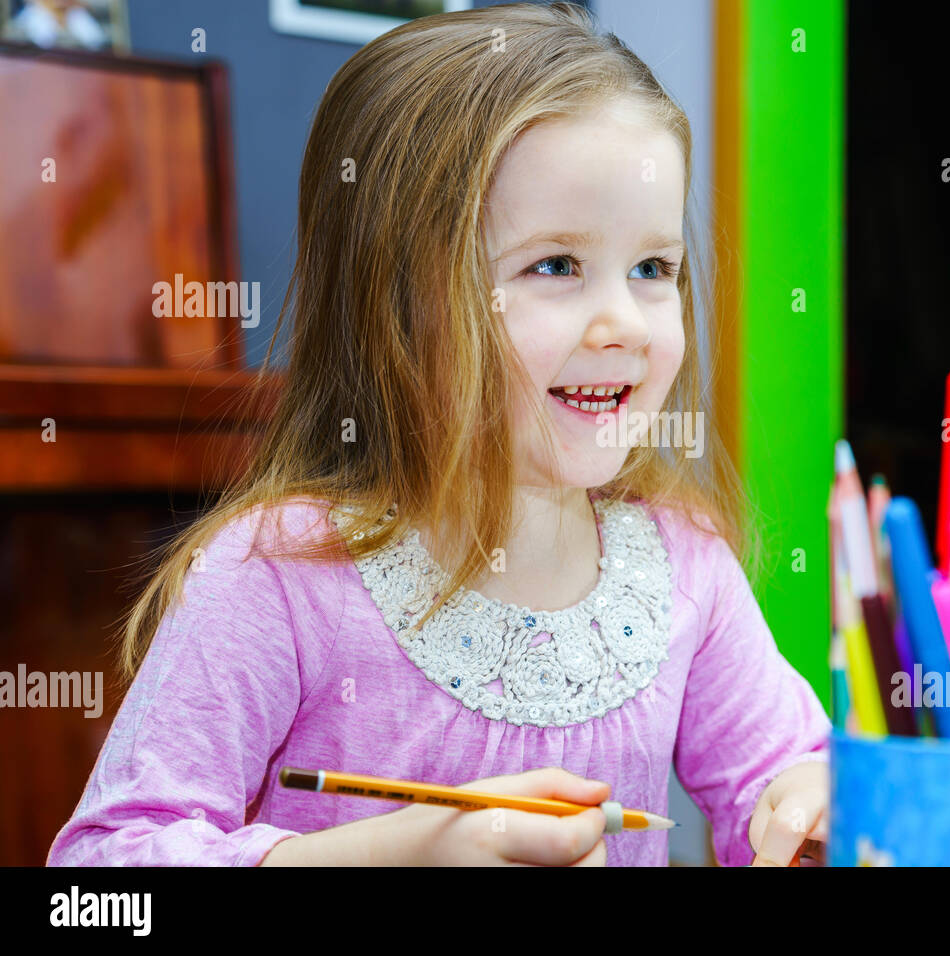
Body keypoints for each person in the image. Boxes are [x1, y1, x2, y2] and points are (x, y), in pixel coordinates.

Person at [47, 1, 830, 868]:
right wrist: (401, 851)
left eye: (653, 269)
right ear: (398, 303)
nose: (626, 323)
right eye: (556, 266)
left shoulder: (683, 567)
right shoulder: (276, 577)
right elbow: (99, 879)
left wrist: (804, 799)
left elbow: (791, 773)